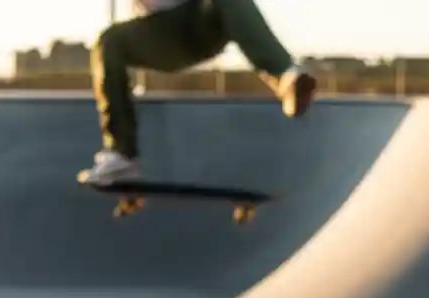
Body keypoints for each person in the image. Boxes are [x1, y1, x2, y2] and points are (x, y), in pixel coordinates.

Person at [78, 0, 317, 185]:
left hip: (201, 21)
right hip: (158, 34)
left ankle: (287, 80)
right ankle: (121, 153)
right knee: (108, 43)